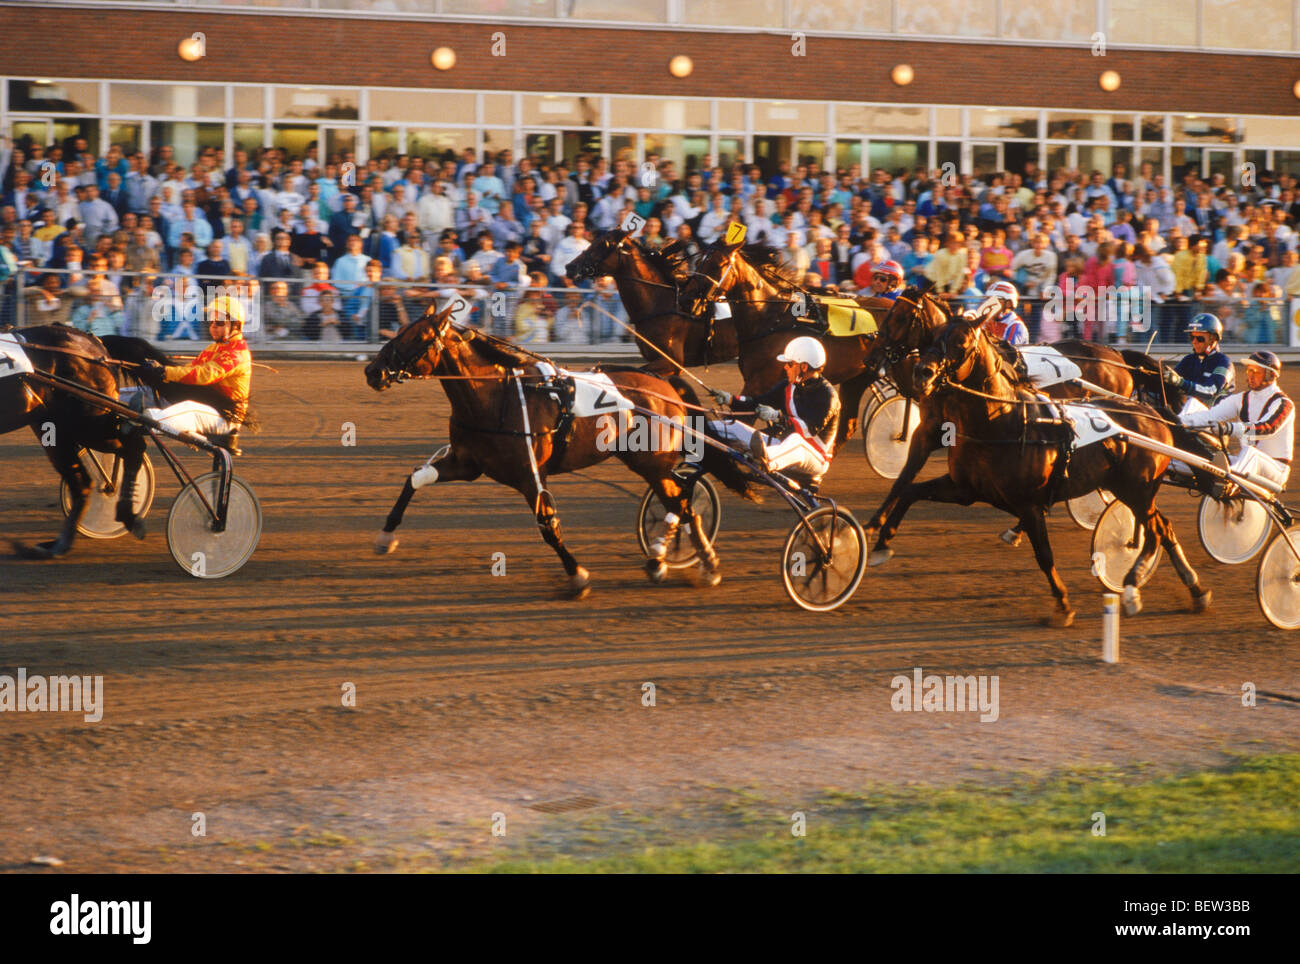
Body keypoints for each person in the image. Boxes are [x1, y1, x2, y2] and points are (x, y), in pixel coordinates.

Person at [708, 335, 840, 484]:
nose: (785, 367)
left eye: (790, 364)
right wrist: (730, 399)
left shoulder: (828, 396)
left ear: (803, 367)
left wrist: (778, 417)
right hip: (782, 446)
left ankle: (766, 461)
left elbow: (809, 430)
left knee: (795, 440)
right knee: (734, 427)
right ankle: (691, 444)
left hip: (815, 458)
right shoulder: (787, 387)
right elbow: (757, 403)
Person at [138, 295, 251, 452]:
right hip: (210, 406)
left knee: (187, 408)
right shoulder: (213, 348)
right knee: (147, 393)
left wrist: (165, 371)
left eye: (219, 323)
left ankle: (141, 420)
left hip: (226, 417)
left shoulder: (236, 354)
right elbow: (189, 370)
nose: (213, 326)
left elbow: (203, 375)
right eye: (211, 322)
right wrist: (160, 372)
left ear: (236, 326)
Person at [1180, 351, 1293, 492]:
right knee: (1210, 459)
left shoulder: (1284, 403)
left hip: (1276, 470)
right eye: (1249, 370)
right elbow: (1210, 416)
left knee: (1250, 453)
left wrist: (1229, 428)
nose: (1250, 375)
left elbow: (1266, 428)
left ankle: (1227, 483)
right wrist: (1175, 421)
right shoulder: (1240, 399)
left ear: (1270, 375)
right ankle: (1173, 464)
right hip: (1246, 465)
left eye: (1256, 371)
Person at [1164, 313, 1235, 406]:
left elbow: (1210, 391)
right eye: (1192, 337)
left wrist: (1180, 382)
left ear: (1213, 338)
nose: (1194, 342)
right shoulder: (1189, 359)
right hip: (1189, 411)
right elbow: (1171, 381)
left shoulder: (1224, 363)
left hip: (1214, 415)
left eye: (1200, 338)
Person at [981, 279, 1028, 345]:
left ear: (1008, 303)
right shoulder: (987, 321)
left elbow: (1008, 353)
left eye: (996, 300)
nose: (990, 304)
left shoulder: (1016, 326)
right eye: (988, 300)